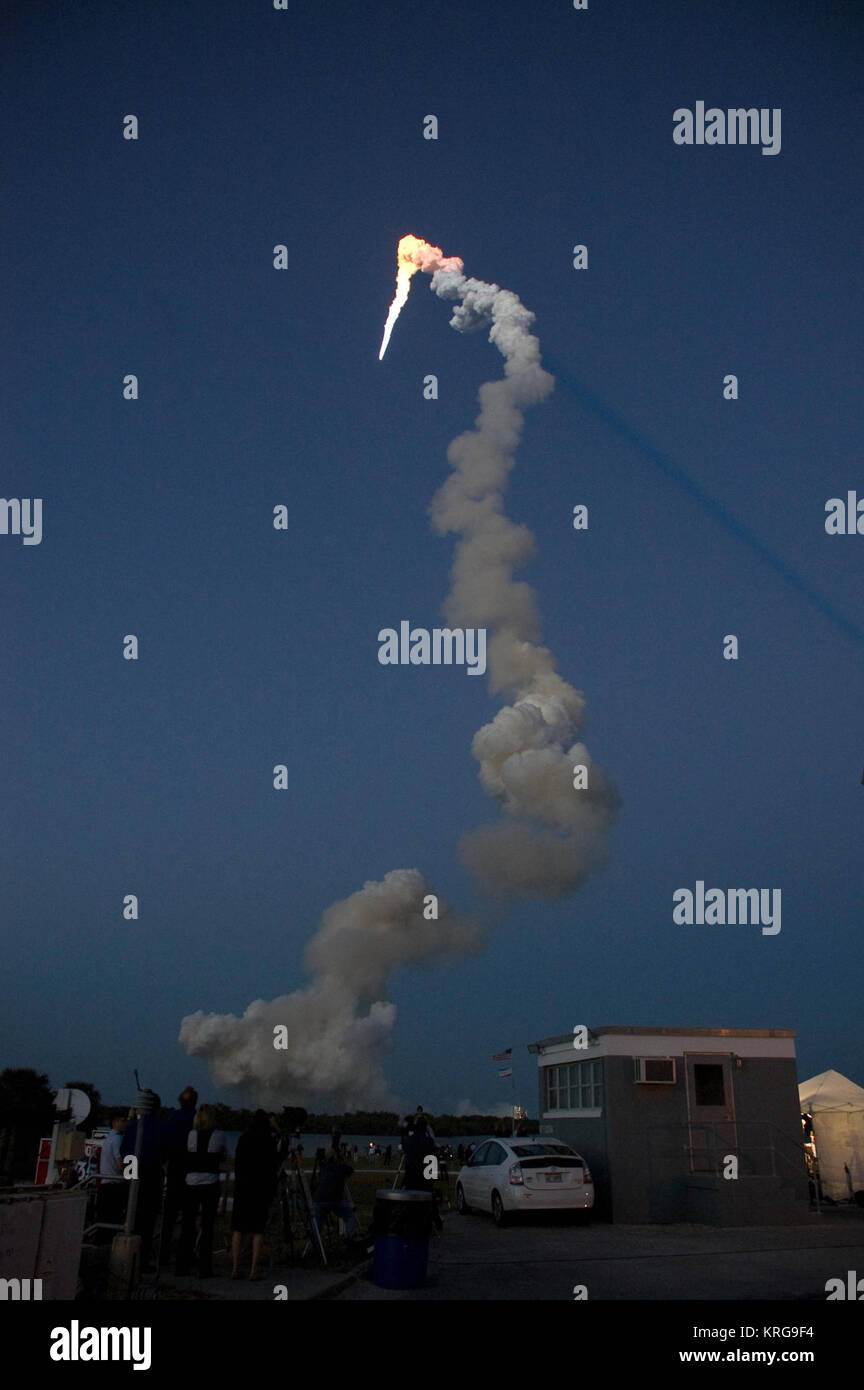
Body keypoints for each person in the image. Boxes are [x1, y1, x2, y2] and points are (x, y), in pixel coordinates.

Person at [175, 1104, 228, 1278]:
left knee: (187, 1225)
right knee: (207, 1226)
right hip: (209, 1184)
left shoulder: (191, 1135)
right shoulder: (218, 1136)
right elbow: (222, 1155)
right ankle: (205, 1267)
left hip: (191, 1183)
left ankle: (182, 1265)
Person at [231, 1110, 279, 1280]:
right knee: (258, 1230)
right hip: (260, 1189)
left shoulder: (243, 1138)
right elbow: (274, 1164)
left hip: (243, 1188)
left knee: (238, 1228)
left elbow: (237, 1163)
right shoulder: (269, 1140)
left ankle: (235, 1268)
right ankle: (254, 1270)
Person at [120, 1094, 163, 1270]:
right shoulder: (160, 1126)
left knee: (131, 1216)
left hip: (132, 1174)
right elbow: (163, 1152)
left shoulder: (132, 1127)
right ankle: (141, 1260)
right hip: (150, 1175)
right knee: (147, 1220)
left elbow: (124, 1151)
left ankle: (126, 1258)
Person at [158, 1086, 198, 1266]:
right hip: (190, 1172)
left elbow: (165, 1141)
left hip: (174, 1170)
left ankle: (163, 1256)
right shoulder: (196, 1119)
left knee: (169, 1217)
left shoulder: (173, 1117)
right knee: (189, 1219)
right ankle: (184, 1258)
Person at [313, 1141, 358, 1238]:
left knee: (317, 1225)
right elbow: (351, 1170)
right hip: (334, 1200)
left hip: (319, 1200)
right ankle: (348, 1238)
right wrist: (342, 1159)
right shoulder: (341, 1167)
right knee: (350, 1216)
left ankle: (312, 1246)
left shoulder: (323, 1167)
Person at [97, 1112, 128, 1225]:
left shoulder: (110, 1138)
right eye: (123, 1120)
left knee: (105, 1219)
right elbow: (120, 1164)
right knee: (114, 1219)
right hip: (115, 1185)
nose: (126, 1123)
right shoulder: (117, 1140)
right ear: (115, 1122)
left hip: (106, 1184)